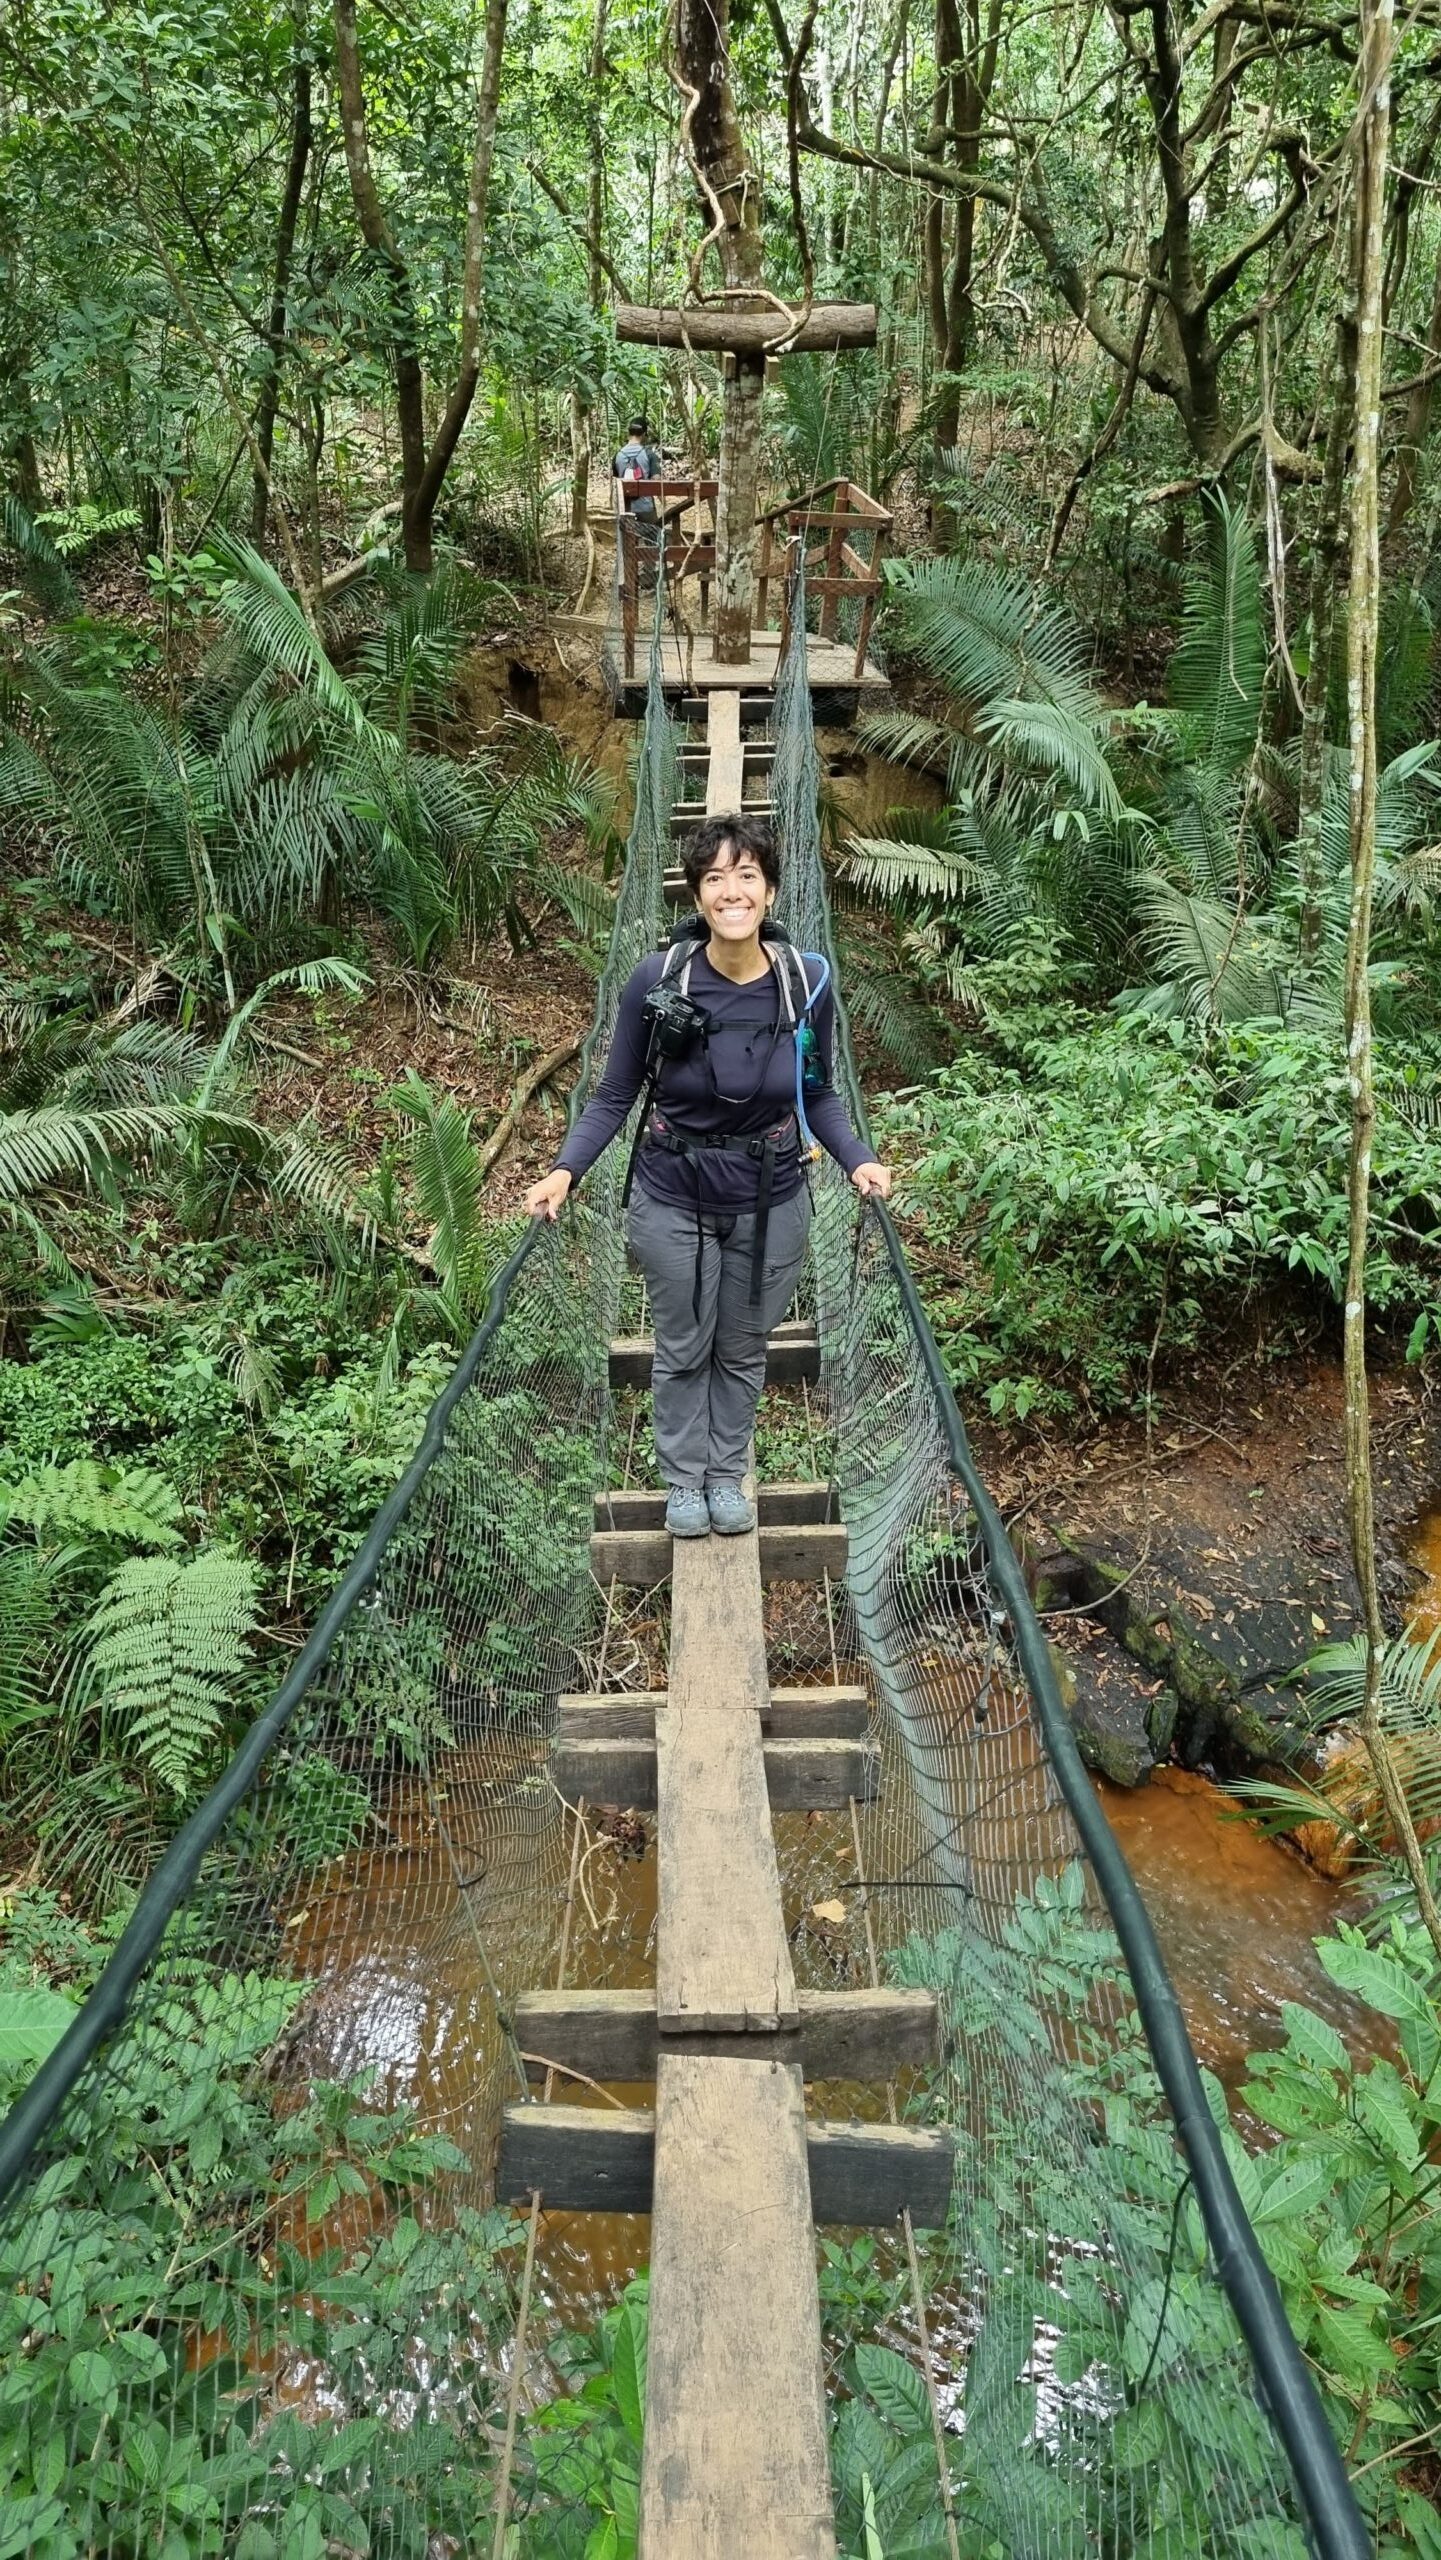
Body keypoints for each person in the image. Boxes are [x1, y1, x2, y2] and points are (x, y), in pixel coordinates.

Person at [525, 814, 891, 1540]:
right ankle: (683, 1482)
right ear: (697, 897)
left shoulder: (805, 981)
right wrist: (565, 1170)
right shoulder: (657, 980)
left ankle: (727, 1475)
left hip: (772, 1194)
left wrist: (858, 1158)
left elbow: (815, 1091)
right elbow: (614, 1093)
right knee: (685, 1344)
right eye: (714, 877)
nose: (731, 891)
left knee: (743, 1343)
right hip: (672, 1191)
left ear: (770, 891)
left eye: (746, 875)